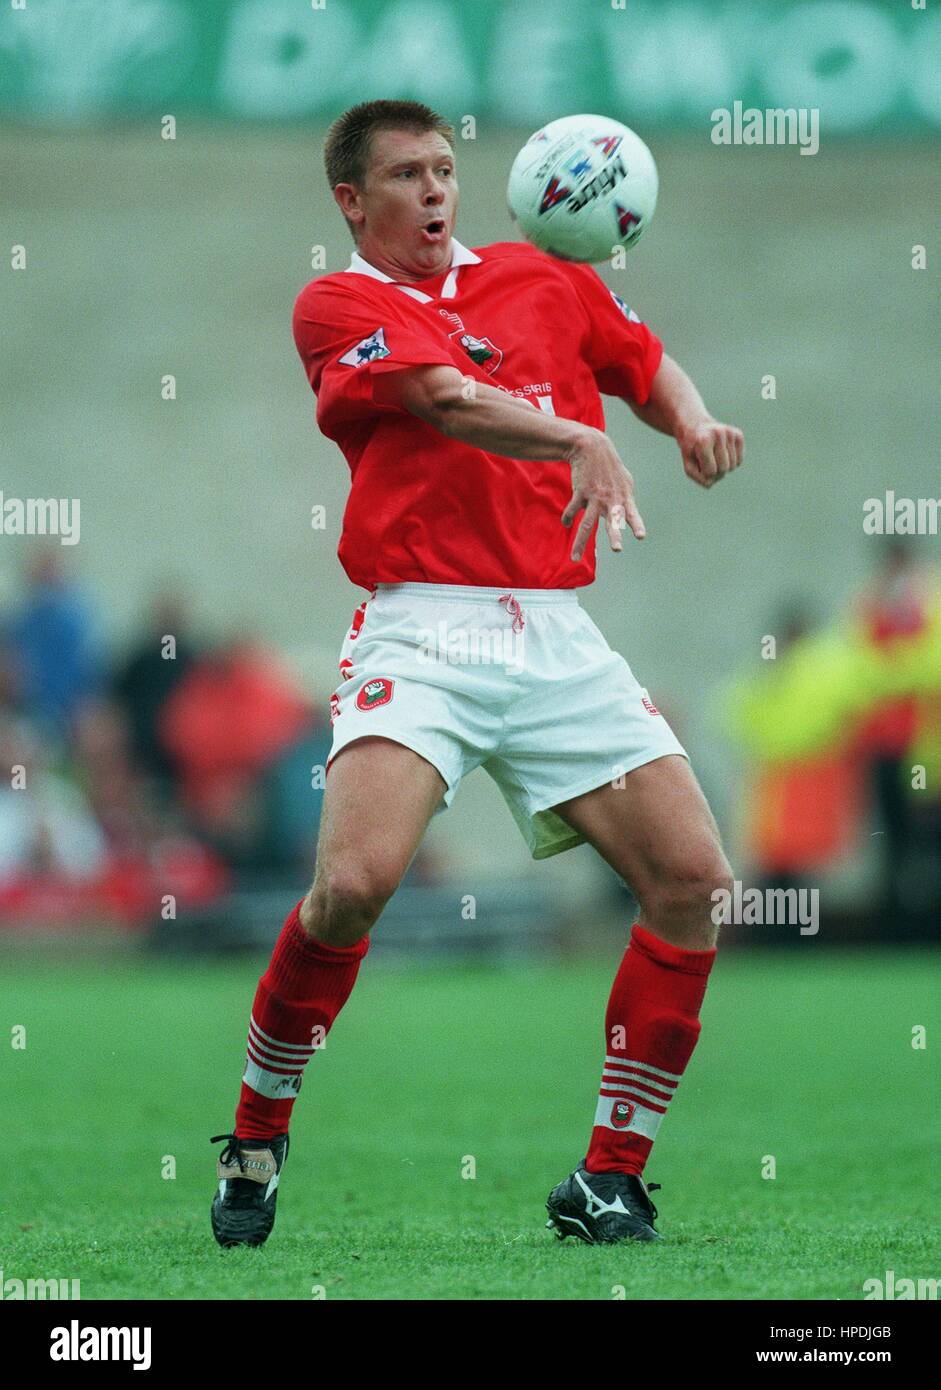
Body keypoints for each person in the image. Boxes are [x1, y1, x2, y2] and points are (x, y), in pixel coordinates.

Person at [209, 100, 744, 1249]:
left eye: (446, 168)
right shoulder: (338, 304)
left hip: (554, 630)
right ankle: (258, 1131)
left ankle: (610, 1174)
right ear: (353, 201)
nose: (436, 190)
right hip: (423, 629)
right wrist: (576, 438)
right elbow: (445, 401)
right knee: (351, 887)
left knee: (695, 883)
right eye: (406, 175)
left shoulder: (541, 275)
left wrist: (689, 420)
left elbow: (638, 361)